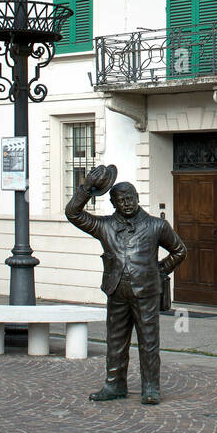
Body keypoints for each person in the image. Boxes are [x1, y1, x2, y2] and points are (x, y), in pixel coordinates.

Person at [65, 165, 186, 405]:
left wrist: (158, 270)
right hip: (116, 291)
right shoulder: (104, 226)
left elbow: (179, 250)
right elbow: (73, 214)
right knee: (115, 341)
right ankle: (115, 384)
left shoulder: (156, 226)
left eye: (131, 198)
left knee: (149, 342)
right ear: (114, 204)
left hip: (146, 293)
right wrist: (87, 189)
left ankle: (151, 387)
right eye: (121, 200)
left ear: (138, 199)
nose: (127, 203)